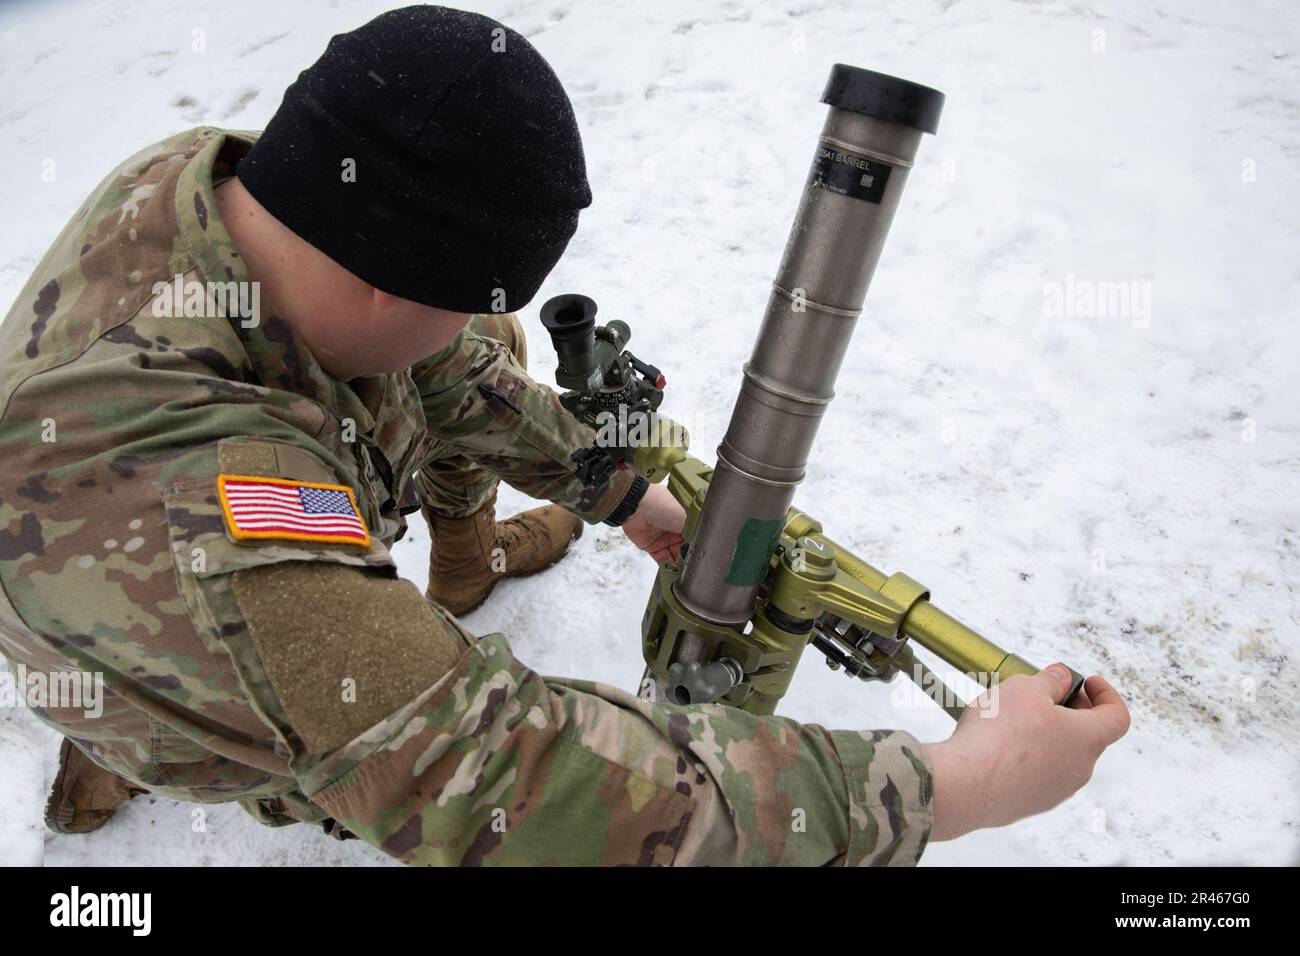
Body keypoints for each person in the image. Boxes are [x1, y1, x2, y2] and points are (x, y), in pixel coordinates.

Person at [0, 4, 1128, 864]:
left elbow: (442, 363)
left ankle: (452, 561)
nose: (470, 325)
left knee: (474, 355)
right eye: (457, 292)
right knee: (223, 701)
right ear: (394, 284)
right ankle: (125, 739)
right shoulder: (221, 529)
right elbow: (517, 778)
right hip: (139, 618)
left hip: (129, 574)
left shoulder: (228, 187)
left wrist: (618, 491)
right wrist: (950, 783)